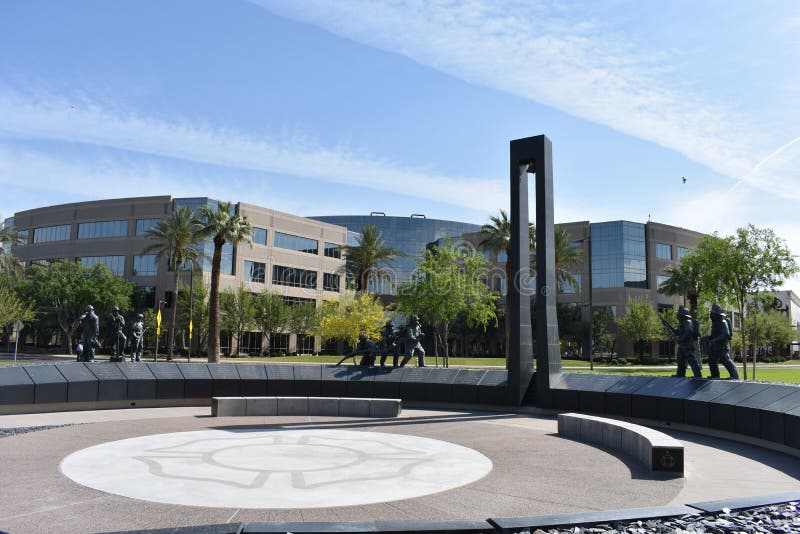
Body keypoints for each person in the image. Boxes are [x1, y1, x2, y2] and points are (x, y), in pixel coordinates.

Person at [703, 304, 739, 379]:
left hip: (722, 347)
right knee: (711, 361)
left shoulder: (723, 322)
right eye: (710, 314)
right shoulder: (715, 324)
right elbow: (714, 335)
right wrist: (708, 338)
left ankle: (734, 376)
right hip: (715, 347)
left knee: (725, 360)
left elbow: (726, 334)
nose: (710, 315)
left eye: (712, 314)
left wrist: (714, 340)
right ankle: (715, 375)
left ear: (717, 315)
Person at [674, 306, 702, 378]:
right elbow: (677, 332)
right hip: (683, 345)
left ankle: (698, 375)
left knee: (692, 360)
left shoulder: (687, 321)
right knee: (680, 360)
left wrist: (681, 339)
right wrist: (668, 326)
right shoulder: (682, 323)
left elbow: (688, 331)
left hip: (688, 345)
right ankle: (680, 374)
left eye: (679, 315)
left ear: (682, 315)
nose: (677, 316)